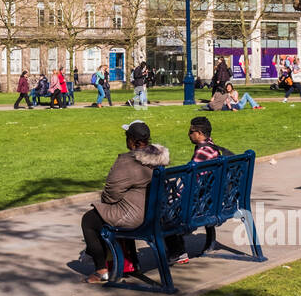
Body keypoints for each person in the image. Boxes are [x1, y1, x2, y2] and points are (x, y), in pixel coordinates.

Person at [80, 121, 169, 283]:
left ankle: (101, 269)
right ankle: (129, 262)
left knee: (89, 220)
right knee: (109, 213)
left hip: (139, 218)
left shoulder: (127, 161)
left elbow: (110, 196)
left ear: (133, 141)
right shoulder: (159, 157)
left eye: (126, 137)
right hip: (159, 212)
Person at [166, 116, 233, 264]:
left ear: (200, 133)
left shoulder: (202, 154)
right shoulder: (213, 148)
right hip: (214, 200)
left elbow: (190, 184)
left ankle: (177, 251)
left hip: (202, 205)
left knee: (164, 209)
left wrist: (173, 196)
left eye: (191, 132)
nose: (188, 134)